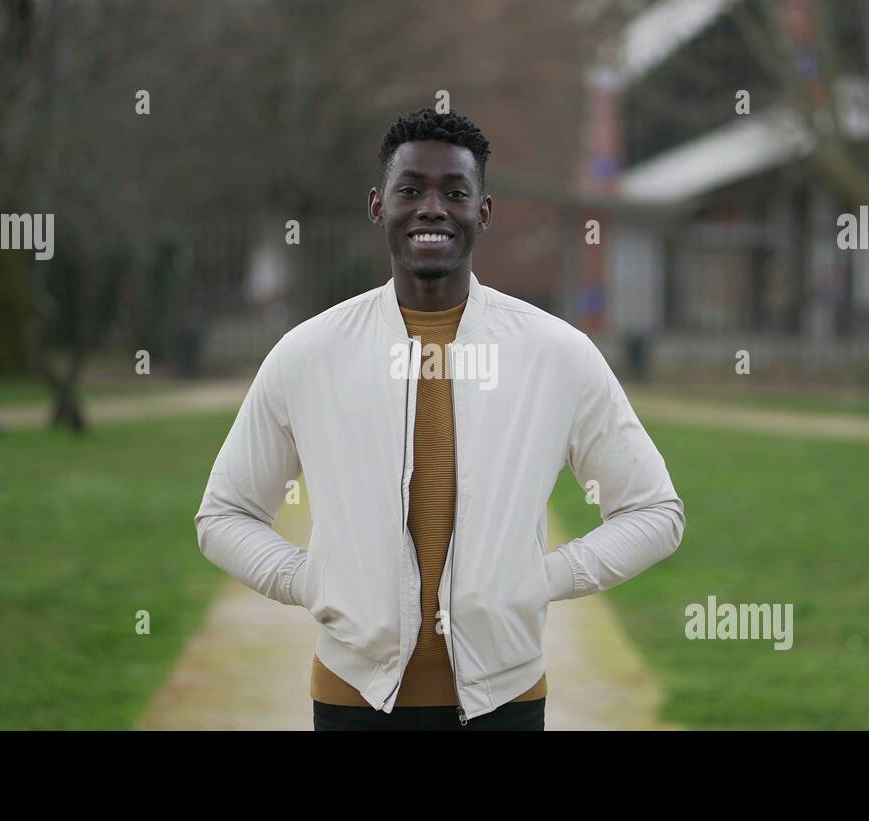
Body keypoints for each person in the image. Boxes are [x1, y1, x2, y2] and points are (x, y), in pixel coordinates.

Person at [194, 107, 686, 731]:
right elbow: (223, 515)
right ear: (379, 206)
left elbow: (655, 512)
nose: (432, 208)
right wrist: (305, 578)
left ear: (483, 211)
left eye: (455, 192)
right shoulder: (309, 352)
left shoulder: (554, 353)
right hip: (354, 701)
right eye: (411, 190)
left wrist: (544, 577)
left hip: (503, 701)